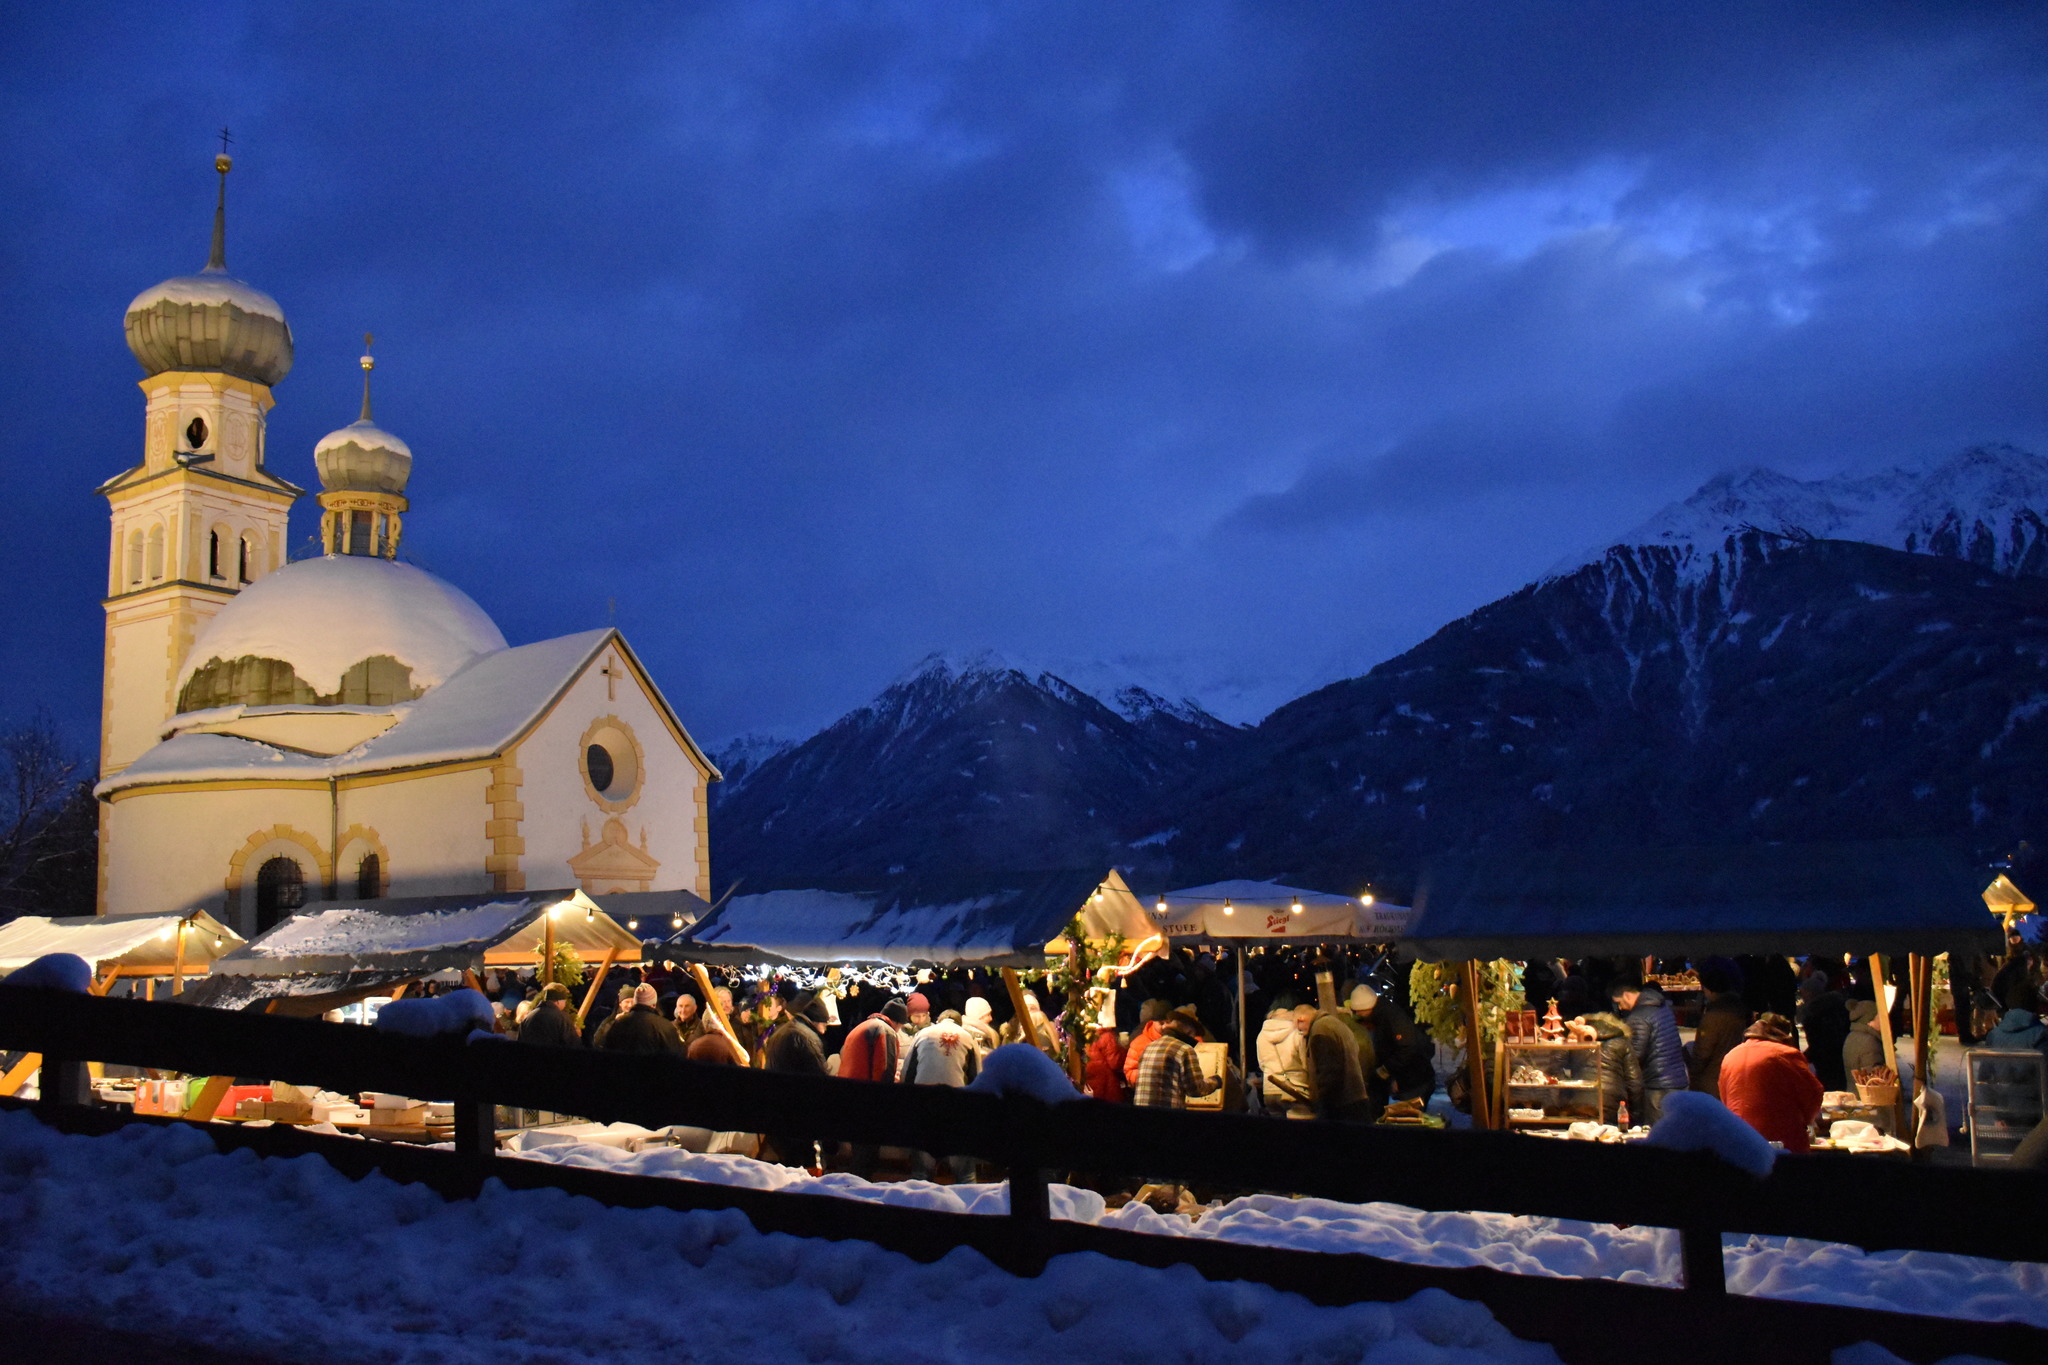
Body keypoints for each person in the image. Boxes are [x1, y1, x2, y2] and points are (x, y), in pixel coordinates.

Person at [1718, 1014, 1825, 1153]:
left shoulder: (1731, 1055)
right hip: (1780, 1139)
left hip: (1739, 1138)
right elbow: (1813, 1092)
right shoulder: (1785, 1054)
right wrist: (1806, 1121)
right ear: (1784, 1035)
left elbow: (1725, 1096)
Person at [902, 1009, 981, 1181]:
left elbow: (907, 1074)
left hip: (925, 1100)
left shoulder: (923, 1034)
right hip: (956, 1102)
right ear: (959, 1023)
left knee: (921, 1172)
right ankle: (965, 1204)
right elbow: (977, 1078)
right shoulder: (968, 1037)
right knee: (965, 1173)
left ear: (938, 1020)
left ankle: (920, 1204)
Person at [761, 991, 832, 1167]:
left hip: (775, 1110)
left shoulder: (782, 1030)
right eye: (825, 1025)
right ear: (817, 1022)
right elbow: (819, 1078)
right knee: (805, 1166)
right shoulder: (806, 1037)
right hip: (796, 1114)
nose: (825, 1030)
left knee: (788, 1165)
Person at [1609, 980, 1686, 1121]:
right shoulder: (1662, 1008)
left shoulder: (1638, 1017)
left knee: (1657, 1134)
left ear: (1626, 995)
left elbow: (1635, 1055)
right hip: (1678, 1079)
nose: (1620, 1008)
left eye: (1619, 1002)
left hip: (1657, 1085)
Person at [1351, 984, 1435, 1108]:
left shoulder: (1391, 1017)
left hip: (1415, 1080)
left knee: (1410, 1119)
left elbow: (1407, 1048)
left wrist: (1385, 1071)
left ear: (1366, 1007)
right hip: (1409, 1078)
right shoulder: (1381, 1015)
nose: (1358, 1014)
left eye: (1358, 1011)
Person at [1134, 1007, 1220, 1109]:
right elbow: (1196, 1089)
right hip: (1167, 1114)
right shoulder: (1184, 1049)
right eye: (1193, 1034)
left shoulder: (1149, 1047)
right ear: (1188, 1031)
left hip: (1141, 1113)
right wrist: (1216, 1081)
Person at [1688, 959, 1750, 1097]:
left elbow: (1702, 1053)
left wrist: (1692, 1072)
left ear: (1709, 989)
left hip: (1712, 1081)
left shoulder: (1713, 1016)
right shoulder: (1738, 1010)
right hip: (1733, 1076)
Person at [1305, 1005, 1371, 1122]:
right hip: (1355, 1099)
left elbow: (1328, 1070)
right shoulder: (1336, 1025)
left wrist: (1323, 1103)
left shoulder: (1321, 1029)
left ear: (1301, 1019)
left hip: (1341, 1105)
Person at [1581, 1010, 1643, 1125]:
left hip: (1579, 1104)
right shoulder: (1622, 1043)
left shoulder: (1577, 1042)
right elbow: (1634, 1083)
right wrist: (1634, 1117)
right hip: (1612, 1103)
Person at [1797, 972, 1851, 1091]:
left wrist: (1803, 1057)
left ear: (1810, 993)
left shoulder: (1813, 1013)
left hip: (1825, 1060)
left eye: (1803, 992)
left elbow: (1817, 1043)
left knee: (1829, 1092)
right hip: (1841, 1054)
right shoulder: (1838, 1006)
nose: (1802, 996)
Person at [1257, 1003, 1313, 1115]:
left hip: (1270, 1090)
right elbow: (1305, 1063)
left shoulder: (1261, 1035)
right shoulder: (1297, 1034)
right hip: (1294, 1090)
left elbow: (1262, 1064)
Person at [838, 1000, 911, 1084]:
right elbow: (884, 1068)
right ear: (898, 1022)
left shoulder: (862, 1026)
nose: (898, 1031)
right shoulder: (886, 1031)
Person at [603, 984, 685, 1055]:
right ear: (654, 1004)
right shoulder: (664, 1026)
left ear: (635, 1002)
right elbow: (676, 1054)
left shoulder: (618, 1024)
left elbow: (607, 1049)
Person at [1122, 999, 1172, 1090]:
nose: (1164, 1026)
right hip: (1147, 1093)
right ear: (1153, 1021)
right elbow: (1129, 1072)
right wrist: (1149, 1075)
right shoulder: (1139, 1043)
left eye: (1168, 1023)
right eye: (1161, 1023)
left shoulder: (1177, 1041)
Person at [516, 982, 583, 1048]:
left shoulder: (528, 1018)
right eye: (564, 1001)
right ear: (558, 1001)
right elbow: (573, 1045)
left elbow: (520, 1044)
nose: (565, 1004)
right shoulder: (562, 1018)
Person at [1842, 997, 1886, 1078]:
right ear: (1869, 1022)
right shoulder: (1871, 1042)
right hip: (1865, 1090)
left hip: (1853, 1089)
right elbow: (1875, 1078)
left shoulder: (1852, 1036)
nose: (1883, 1021)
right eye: (1878, 1018)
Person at [1085, 1021, 1129, 1102]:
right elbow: (1115, 1063)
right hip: (1107, 1084)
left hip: (1091, 1082)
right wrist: (1124, 1050)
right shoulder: (1107, 1036)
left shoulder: (1084, 1036)